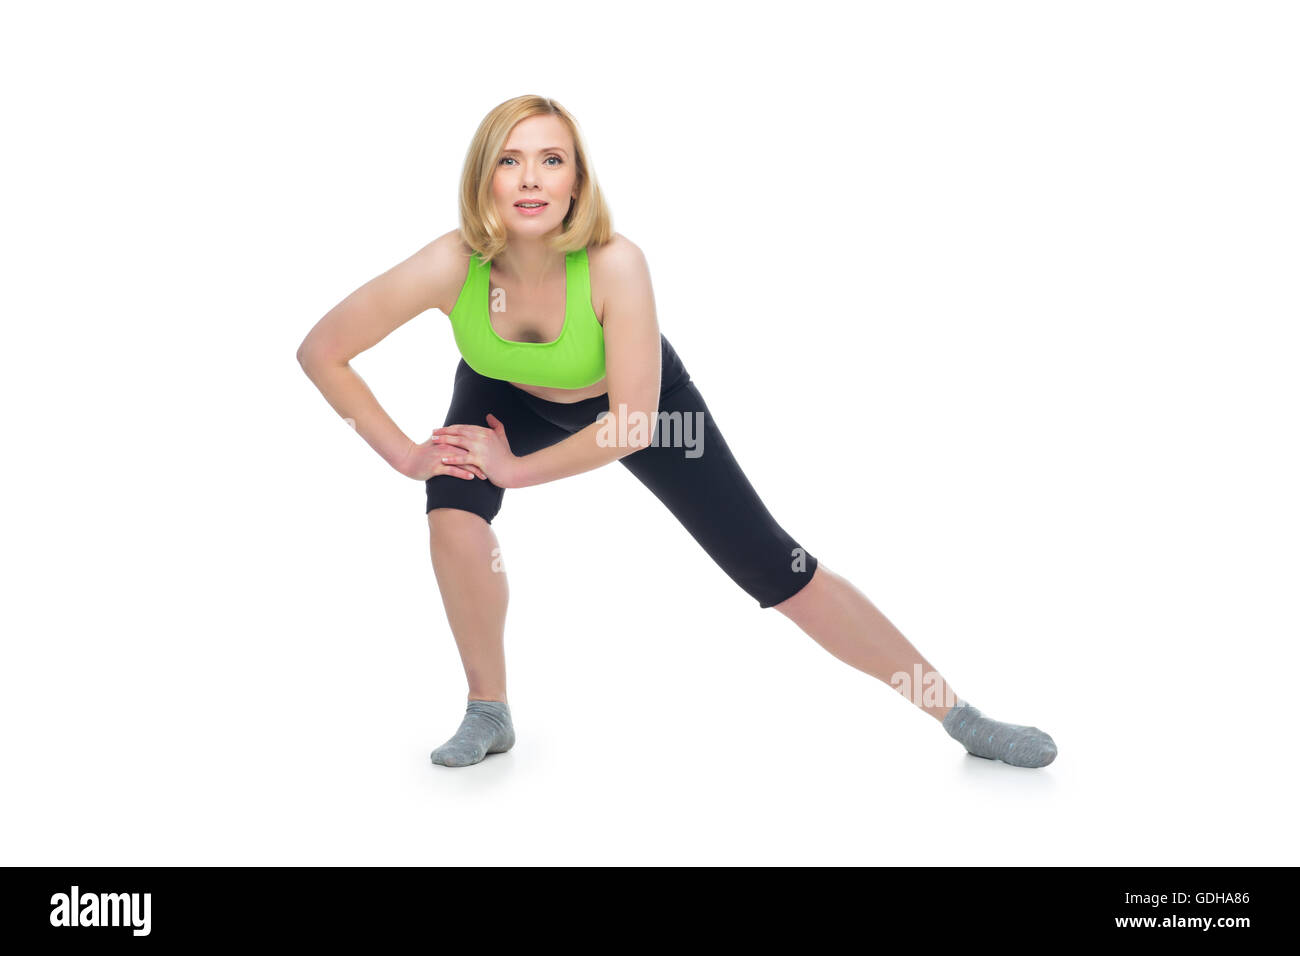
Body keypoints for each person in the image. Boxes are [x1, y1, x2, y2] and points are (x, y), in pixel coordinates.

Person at [296, 94, 1058, 771]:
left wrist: (514, 469)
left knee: (775, 563)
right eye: (510, 160)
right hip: (502, 394)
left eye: (551, 160)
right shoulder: (451, 262)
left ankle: (960, 715)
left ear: (576, 181)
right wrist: (405, 454)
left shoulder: (615, 265)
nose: (530, 179)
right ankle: (488, 709)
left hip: (644, 406)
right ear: (484, 179)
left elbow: (629, 424)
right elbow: (322, 351)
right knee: (451, 512)